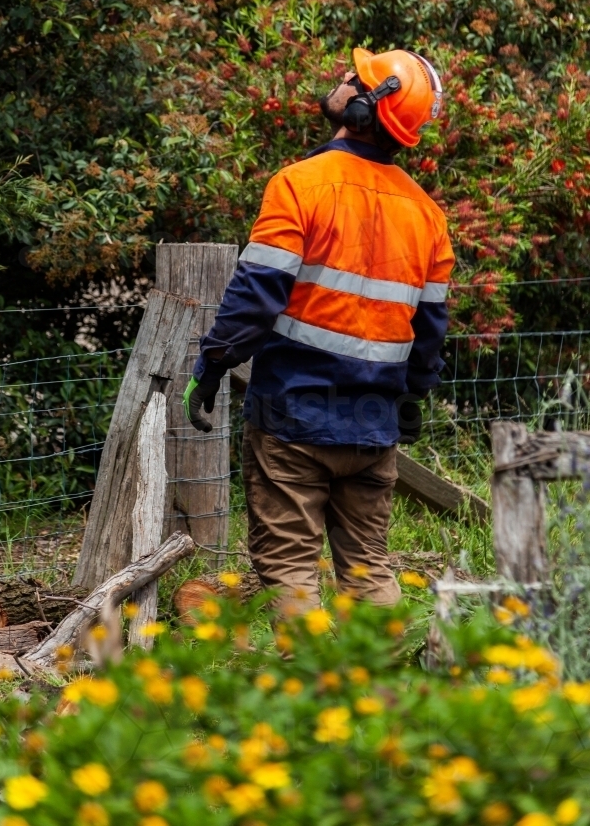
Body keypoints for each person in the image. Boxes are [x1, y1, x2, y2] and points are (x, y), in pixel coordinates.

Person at [183, 48, 455, 611]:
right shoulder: (427, 215)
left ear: (364, 106)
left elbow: (256, 297)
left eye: (354, 77)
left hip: (293, 417)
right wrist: (412, 397)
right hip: (374, 423)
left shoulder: (298, 186)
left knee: (288, 568)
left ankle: (314, 688)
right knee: (368, 568)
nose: (342, 78)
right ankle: (384, 689)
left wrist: (212, 365)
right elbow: (429, 332)